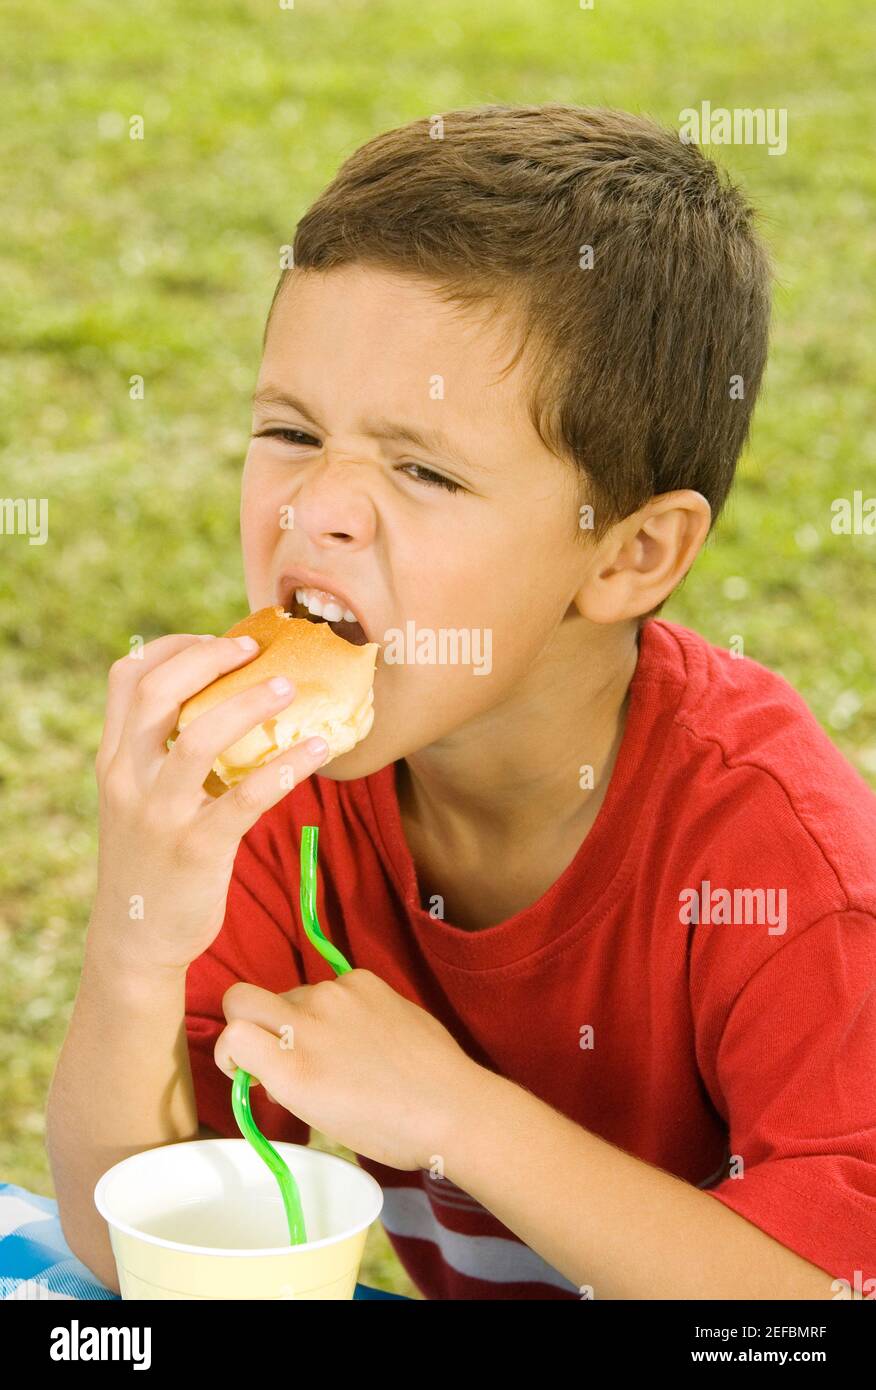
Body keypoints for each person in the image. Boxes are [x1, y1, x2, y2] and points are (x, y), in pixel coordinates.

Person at [48, 104, 876, 1300]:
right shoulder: (287, 790)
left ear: (628, 555)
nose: (316, 508)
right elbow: (136, 1247)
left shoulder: (790, 872)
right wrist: (136, 939)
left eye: (424, 468)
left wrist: (458, 1117)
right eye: (290, 431)